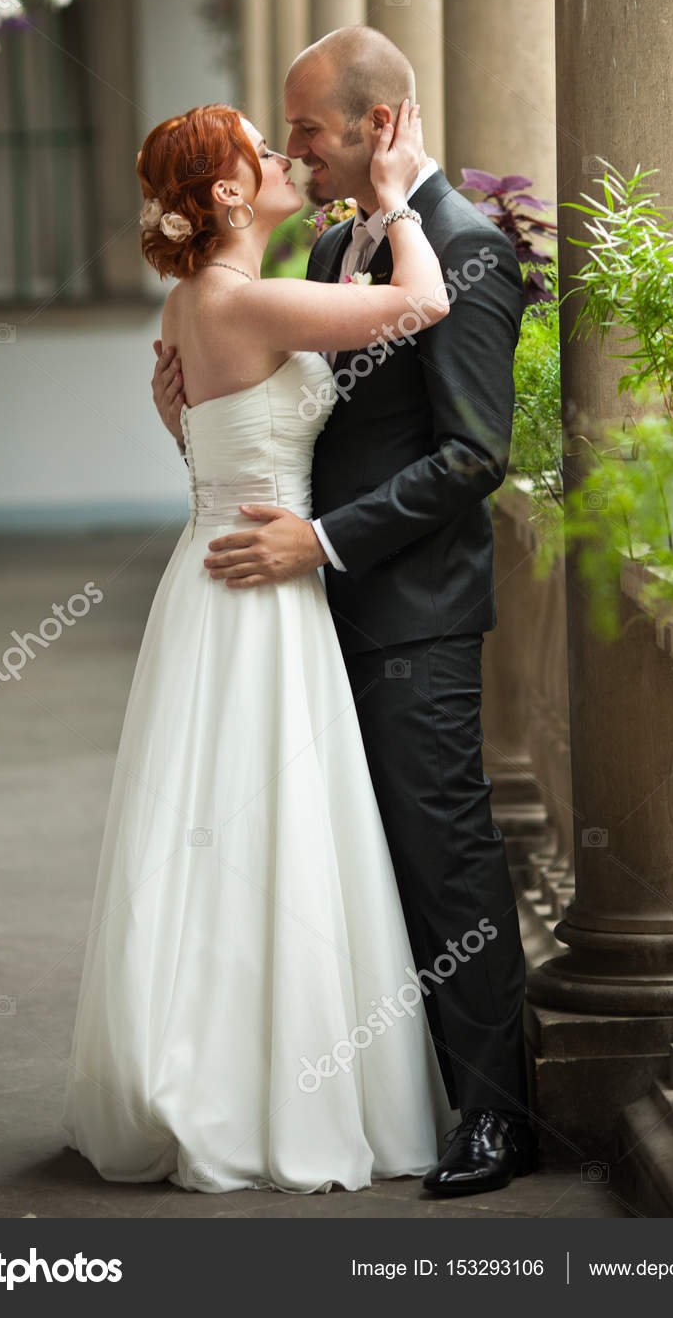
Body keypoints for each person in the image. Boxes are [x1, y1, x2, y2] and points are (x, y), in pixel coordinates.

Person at [152, 27, 534, 1197]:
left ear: (375, 125)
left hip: (407, 610)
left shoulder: (464, 248)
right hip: (306, 616)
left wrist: (317, 539)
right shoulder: (325, 249)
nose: (296, 150)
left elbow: (474, 454)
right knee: (344, 866)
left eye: (306, 129)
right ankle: (381, 1087)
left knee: (443, 854)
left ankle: (497, 1115)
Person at [63, 97, 460, 1194]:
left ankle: (209, 1058)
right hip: (258, 586)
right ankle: (260, 1085)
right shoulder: (246, 299)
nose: (287, 155)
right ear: (233, 193)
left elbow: (205, 424)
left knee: (213, 826)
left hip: (218, 571)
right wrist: (398, 199)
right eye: (263, 147)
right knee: (265, 823)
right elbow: (425, 300)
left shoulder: (200, 301)